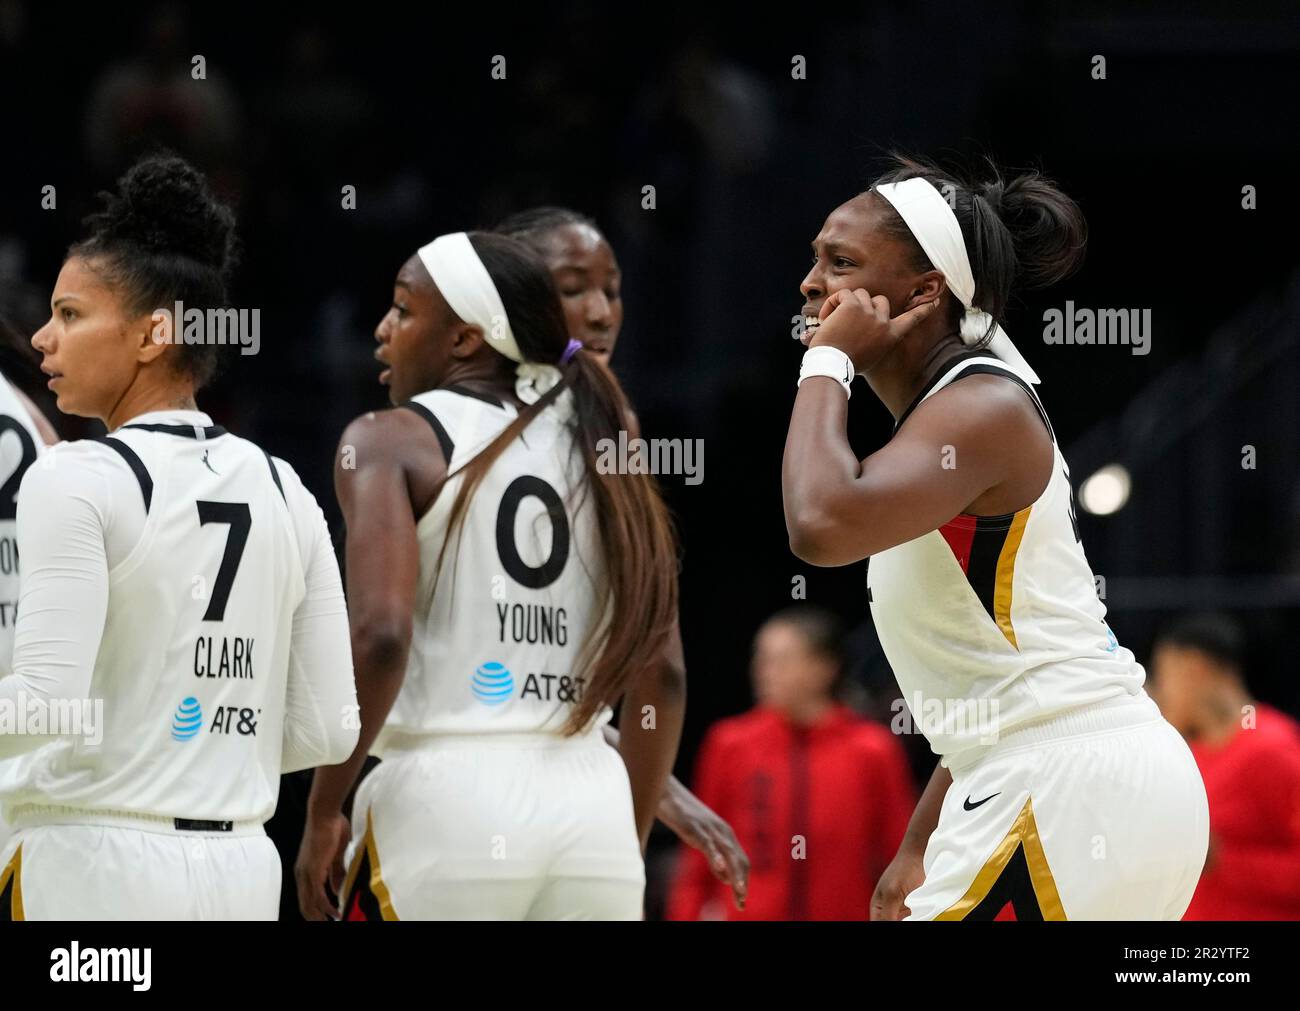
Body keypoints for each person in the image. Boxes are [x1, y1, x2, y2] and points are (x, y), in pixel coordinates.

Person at [781, 154, 1208, 920]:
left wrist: (827, 362)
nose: (812, 283)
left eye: (840, 262)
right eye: (814, 259)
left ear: (925, 290)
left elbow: (818, 524)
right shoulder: (956, 416)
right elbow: (998, 677)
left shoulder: (980, 407)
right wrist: (919, 840)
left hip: (1071, 783)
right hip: (1074, 777)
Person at [0, 153, 358, 920]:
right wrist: (200, 748)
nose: (40, 339)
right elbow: (331, 726)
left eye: (70, 314)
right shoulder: (287, 487)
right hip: (240, 871)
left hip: (89, 867)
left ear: (153, 334)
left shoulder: (75, 475)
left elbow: (39, 707)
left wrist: (136, 742)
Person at [296, 230, 685, 920]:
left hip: (445, 801)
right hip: (592, 801)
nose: (383, 331)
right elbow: (668, 676)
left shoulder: (387, 438)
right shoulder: (600, 436)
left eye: (403, 309)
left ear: (465, 339)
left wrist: (326, 805)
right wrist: (620, 840)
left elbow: (382, 636)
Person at [499, 205, 749, 909]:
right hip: (571, 801)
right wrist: (631, 828)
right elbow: (660, 670)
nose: (602, 311)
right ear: (512, 293)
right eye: (575, 286)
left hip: (468, 777)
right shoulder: (609, 426)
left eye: (611, 289)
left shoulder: (418, 424)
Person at [667, 607, 914, 920]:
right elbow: (698, 854)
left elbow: (899, 851)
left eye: (780, 660)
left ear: (824, 668)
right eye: (761, 659)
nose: (764, 671)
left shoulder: (872, 750)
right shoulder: (730, 743)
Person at [1151, 613, 1300, 919]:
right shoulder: (1187, 753)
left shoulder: (1270, 749)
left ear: (1194, 667)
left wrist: (1223, 862)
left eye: (1163, 677)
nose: (1158, 695)